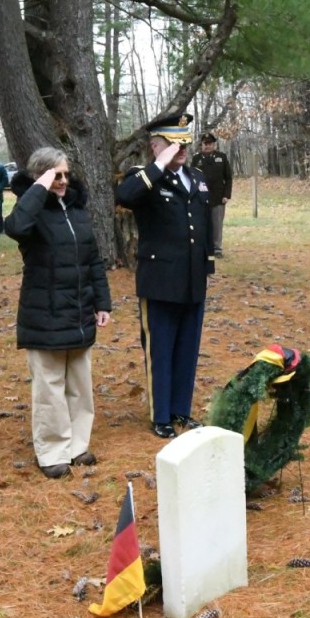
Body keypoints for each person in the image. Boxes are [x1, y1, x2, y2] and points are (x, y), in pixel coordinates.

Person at [4, 148, 112, 479]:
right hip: (44, 313)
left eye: (66, 174)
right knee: (49, 387)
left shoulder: (78, 210)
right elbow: (16, 227)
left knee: (79, 384)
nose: (63, 181)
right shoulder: (31, 212)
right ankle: (52, 451)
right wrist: (41, 186)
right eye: (56, 175)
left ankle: (77, 445)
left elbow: (93, 259)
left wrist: (103, 303)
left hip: (79, 311)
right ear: (40, 177)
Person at [115, 113, 215, 438]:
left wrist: (207, 264)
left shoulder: (196, 177)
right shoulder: (144, 177)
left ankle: (181, 411)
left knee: (187, 348)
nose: (181, 149)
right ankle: (161, 416)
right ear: (155, 146)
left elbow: (203, 224)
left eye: (184, 142)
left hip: (191, 279)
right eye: (173, 143)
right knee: (160, 350)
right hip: (160, 280)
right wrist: (158, 165)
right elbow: (125, 197)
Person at [191, 132, 233, 257]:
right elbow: (192, 177)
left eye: (210, 144)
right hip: (201, 198)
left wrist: (226, 195)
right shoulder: (196, 159)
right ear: (202, 145)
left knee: (216, 224)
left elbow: (228, 178)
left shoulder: (222, 157)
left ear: (214, 144)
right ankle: (203, 247)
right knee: (201, 223)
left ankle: (217, 249)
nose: (207, 146)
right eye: (205, 144)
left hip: (218, 197)